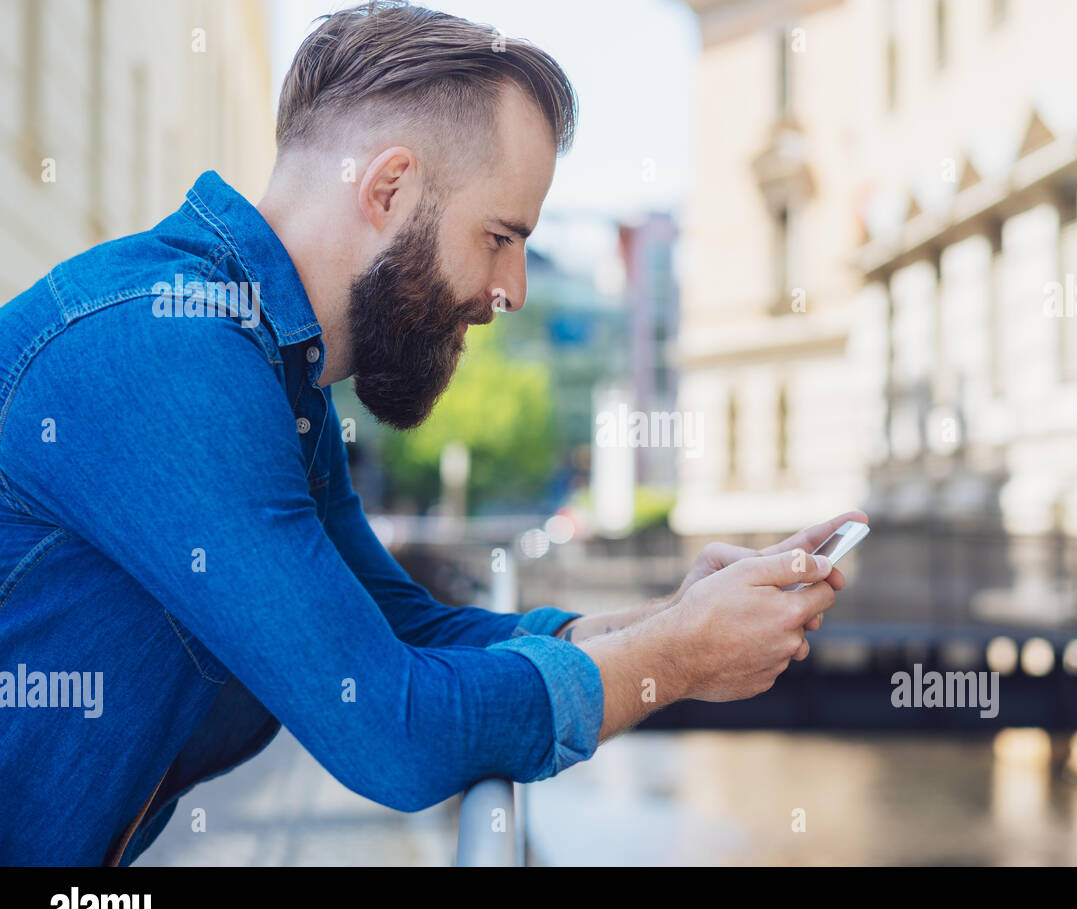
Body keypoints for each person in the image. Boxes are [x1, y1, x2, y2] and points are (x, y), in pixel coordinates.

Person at [0, 0, 862, 865]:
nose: (513, 289)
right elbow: (391, 728)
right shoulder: (168, 353)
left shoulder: (271, 372)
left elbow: (402, 628)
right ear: (389, 188)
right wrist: (671, 660)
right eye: (498, 237)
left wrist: (671, 616)